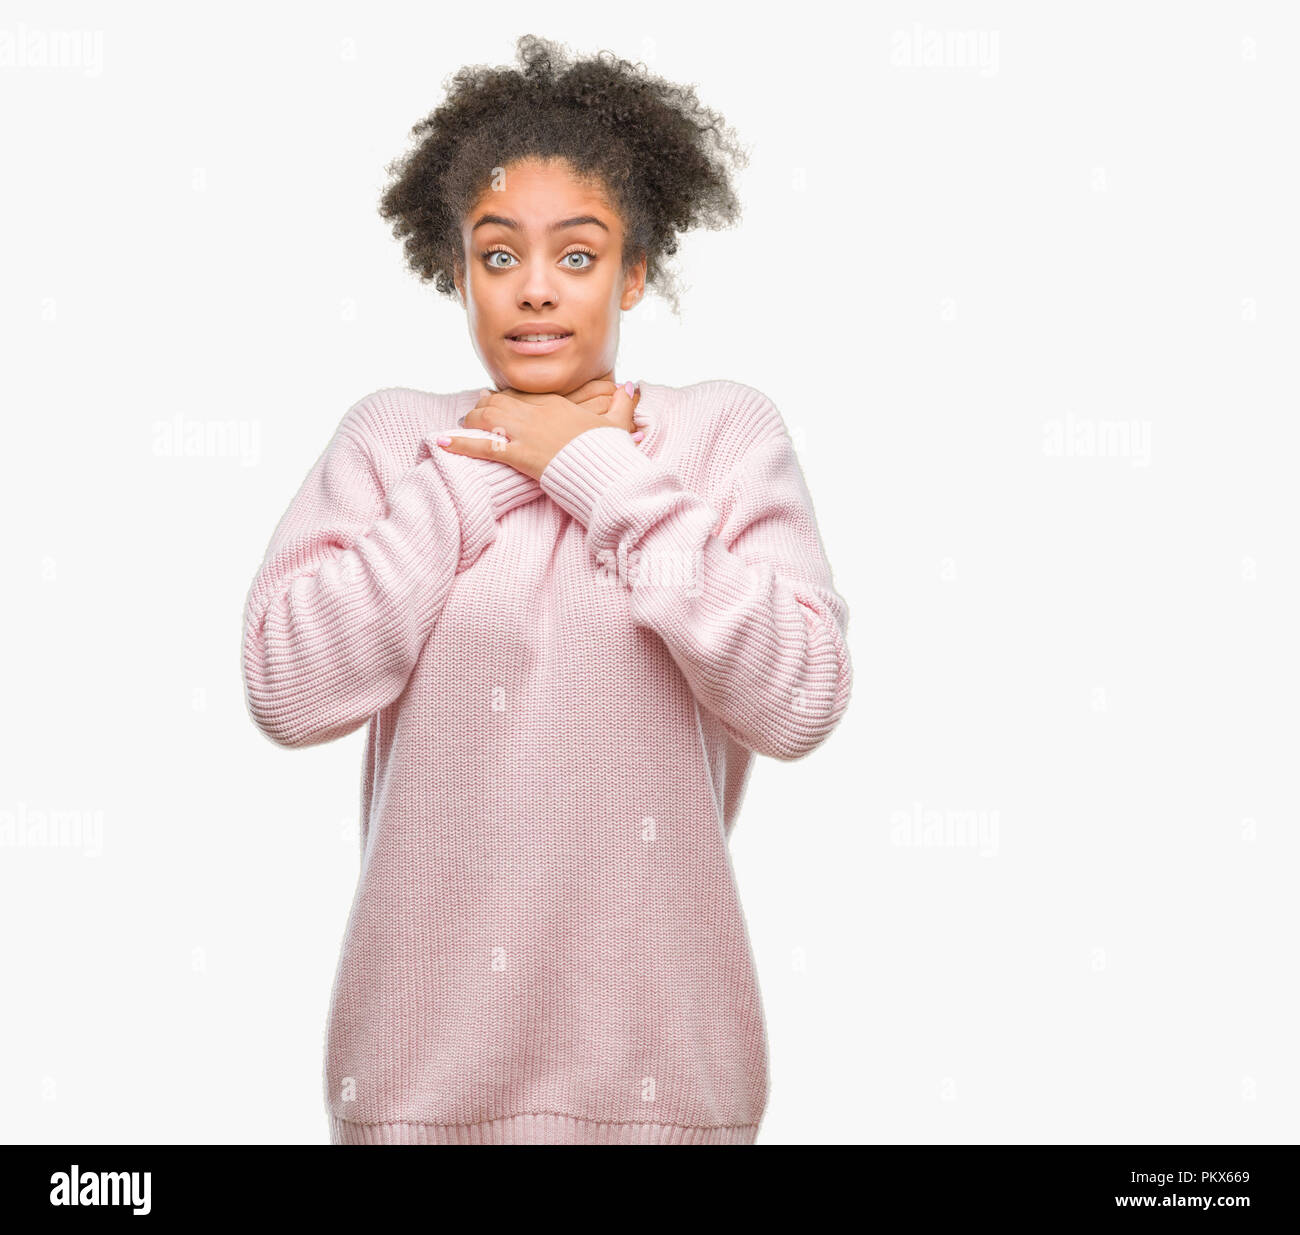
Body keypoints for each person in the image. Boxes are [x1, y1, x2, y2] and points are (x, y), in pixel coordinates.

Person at [240, 34, 853, 1145]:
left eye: (577, 257)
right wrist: (473, 475)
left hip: (665, 1080)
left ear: (633, 273)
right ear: (456, 269)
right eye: (496, 254)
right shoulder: (397, 440)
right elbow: (288, 687)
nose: (533, 290)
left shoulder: (718, 435)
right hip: (417, 1082)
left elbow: (799, 698)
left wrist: (593, 468)